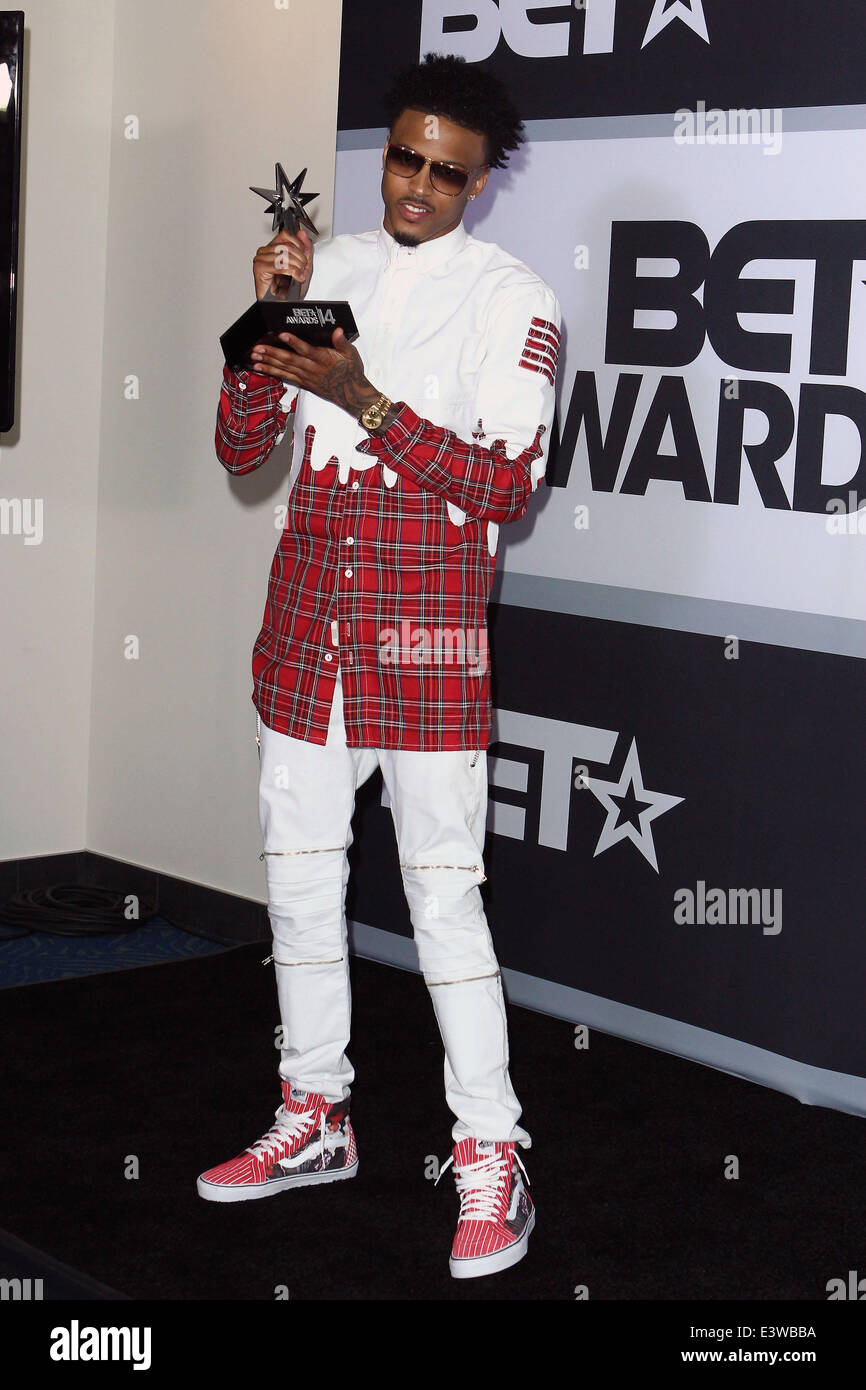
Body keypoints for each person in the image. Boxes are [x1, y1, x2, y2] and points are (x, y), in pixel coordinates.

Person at [198, 51, 561, 1281]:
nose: (413, 185)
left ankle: (491, 1153)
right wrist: (259, 331)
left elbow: (503, 489)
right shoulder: (326, 270)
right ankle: (316, 1116)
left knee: (442, 899)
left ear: (481, 181)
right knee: (298, 889)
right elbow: (243, 453)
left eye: (442, 172)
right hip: (308, 632)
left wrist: (363, 397)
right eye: (401, 158)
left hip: (426, 642)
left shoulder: (516, 301)